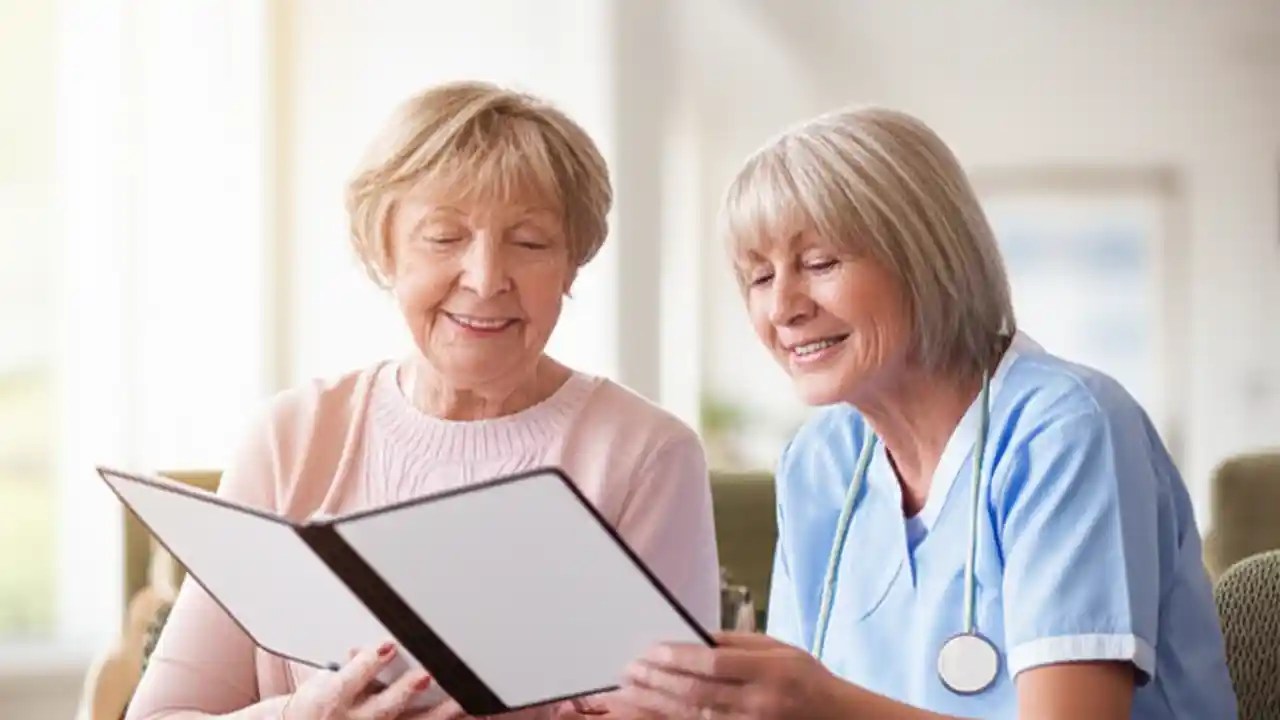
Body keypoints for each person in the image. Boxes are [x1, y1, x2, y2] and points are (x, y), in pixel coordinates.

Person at [609, 107, 1238, 719]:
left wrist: (823, 704)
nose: (783, 308)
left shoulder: (1067, 429)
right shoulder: (817, 461)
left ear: (927, 257)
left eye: (820, 263)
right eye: (757, 277)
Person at [125, 81, 722, 720]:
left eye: (530, 242)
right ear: (384, 251)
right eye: (444, 237)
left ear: (572, 264)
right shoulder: (291, 436)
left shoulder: (645, 454)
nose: (487, 278)